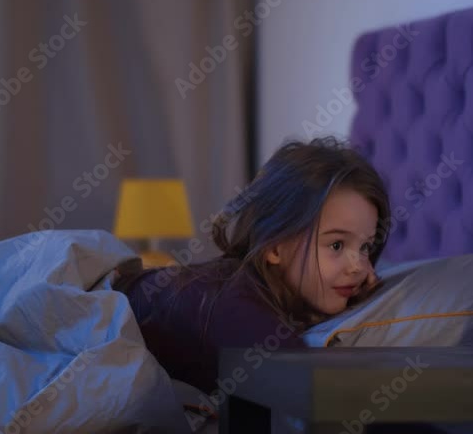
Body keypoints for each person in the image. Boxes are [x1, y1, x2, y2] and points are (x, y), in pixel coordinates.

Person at [116, 137, 391, 394]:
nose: (358, 266)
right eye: (337, 245)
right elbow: (321, 394)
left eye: (365, 246)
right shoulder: (229, 301)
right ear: (274, 247)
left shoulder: (268, 295)